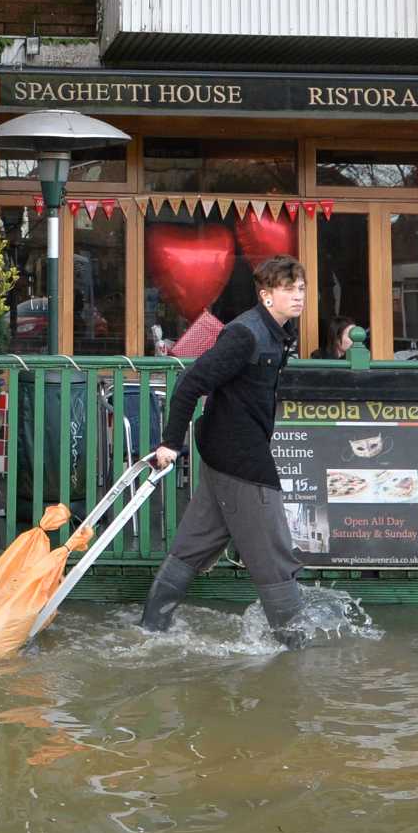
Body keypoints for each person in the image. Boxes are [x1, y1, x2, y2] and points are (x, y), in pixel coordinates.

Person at [139, 253, 310, 647]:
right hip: (240, 459)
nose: (298, 296)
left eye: (301, 288)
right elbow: (189, 385)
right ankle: (295, 649)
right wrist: (169, 443)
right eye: (289, 289)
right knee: (274, 554)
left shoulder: (276, 332)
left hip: (224, 451)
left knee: (193, 546)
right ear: (267, 296)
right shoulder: (245, 335)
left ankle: (149, 631)